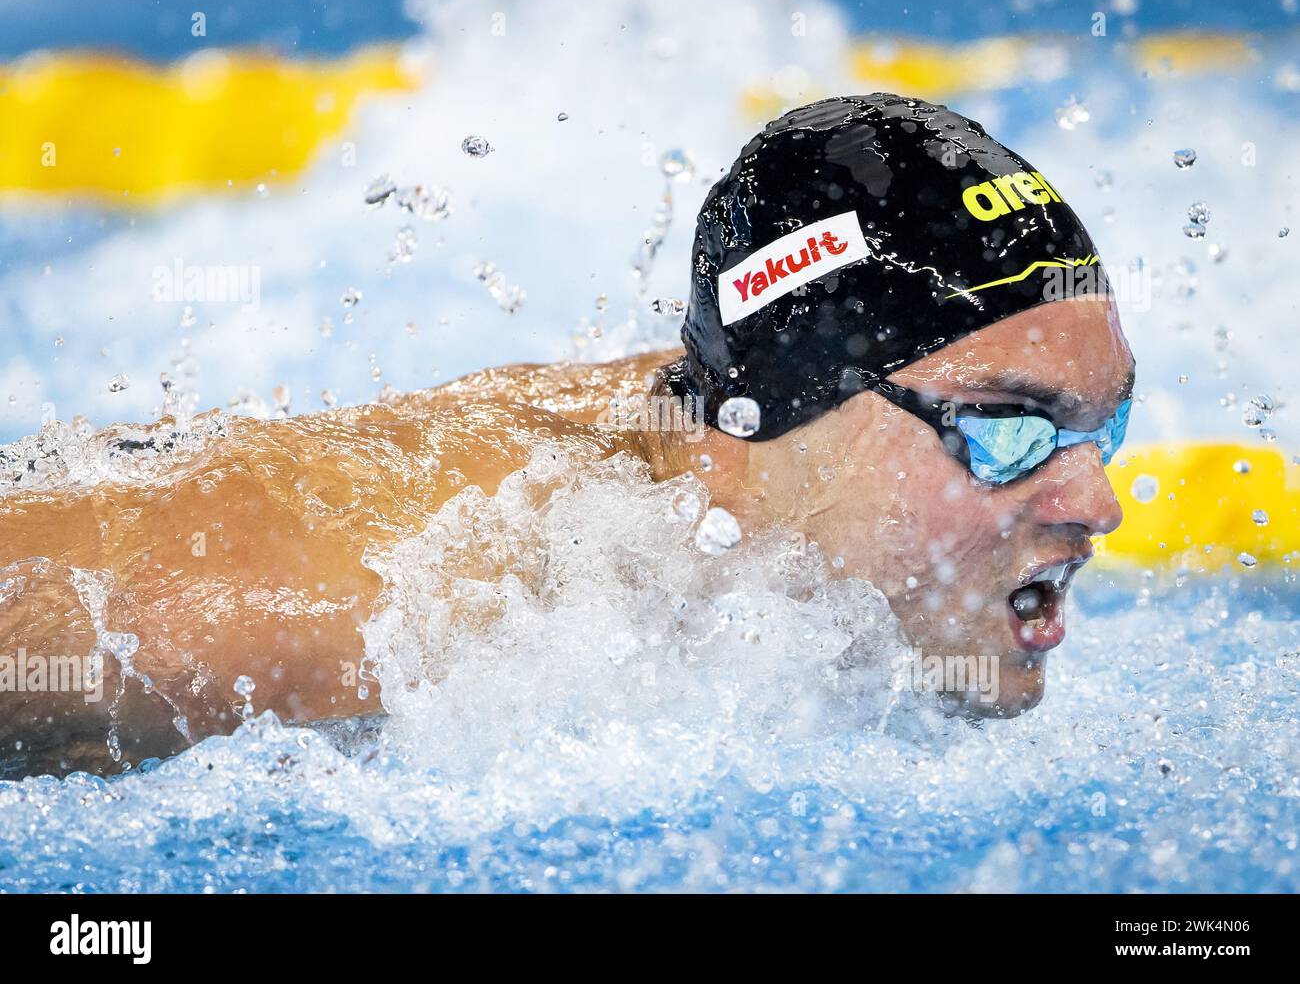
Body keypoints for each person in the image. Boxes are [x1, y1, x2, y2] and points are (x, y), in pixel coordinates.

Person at [0, 94, 1133, 776]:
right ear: (758, 426)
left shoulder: (764, 458)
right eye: (1005, 429)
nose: (1096, 504)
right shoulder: (367, 612)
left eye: (1103, 425)